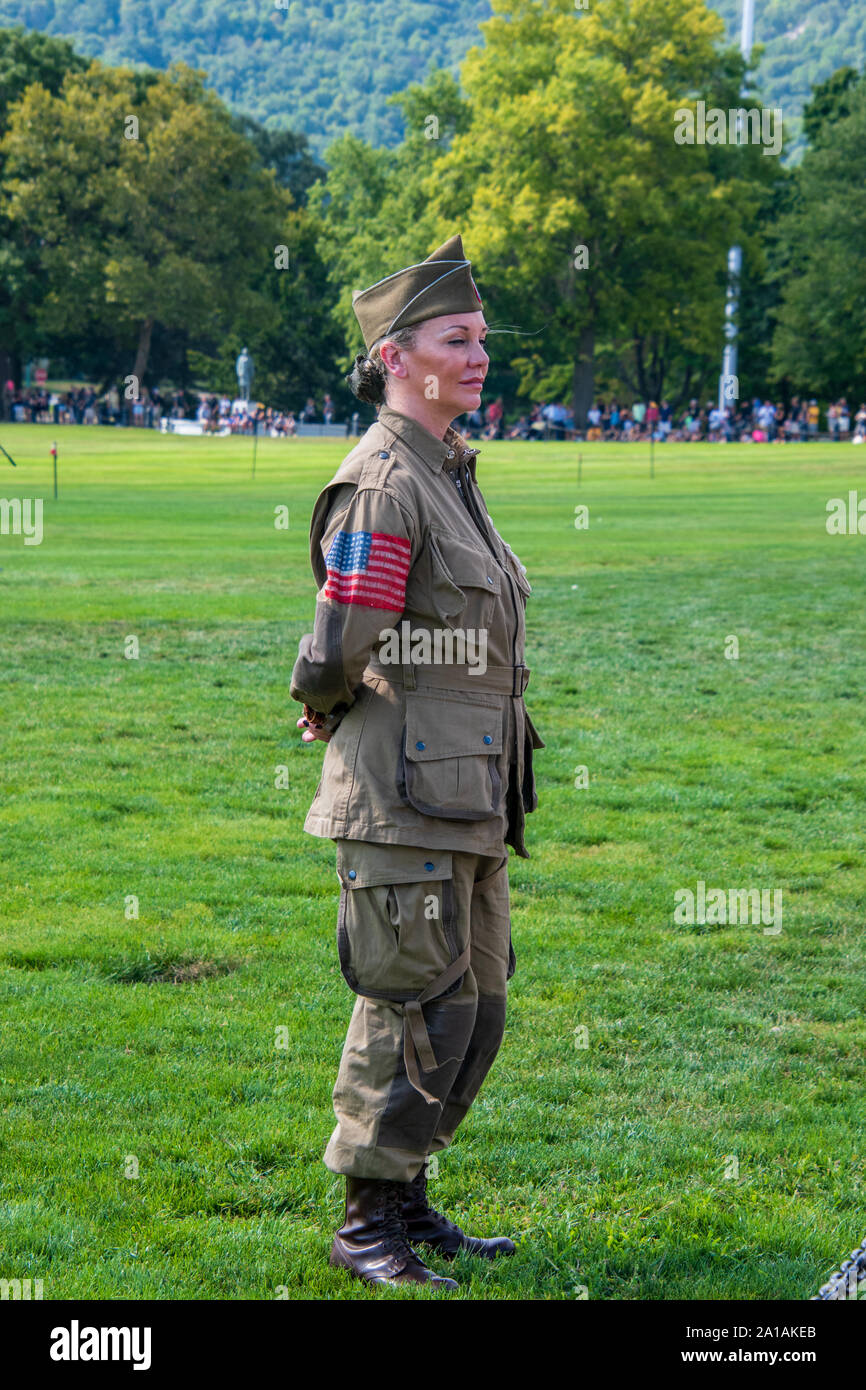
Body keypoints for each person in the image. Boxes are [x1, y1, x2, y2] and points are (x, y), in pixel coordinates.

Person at [290, 233, 544, 1292]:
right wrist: (321, 702)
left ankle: (408, 1200)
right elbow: (344, 632)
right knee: (408, 1003)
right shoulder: (385, 479)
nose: (479, 354)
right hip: (401, 794)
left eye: (482, 338)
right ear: (396, 356)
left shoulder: (449, 471)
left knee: (469, 1007)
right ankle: (363, 1222)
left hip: (466, 789)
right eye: (457, 338)